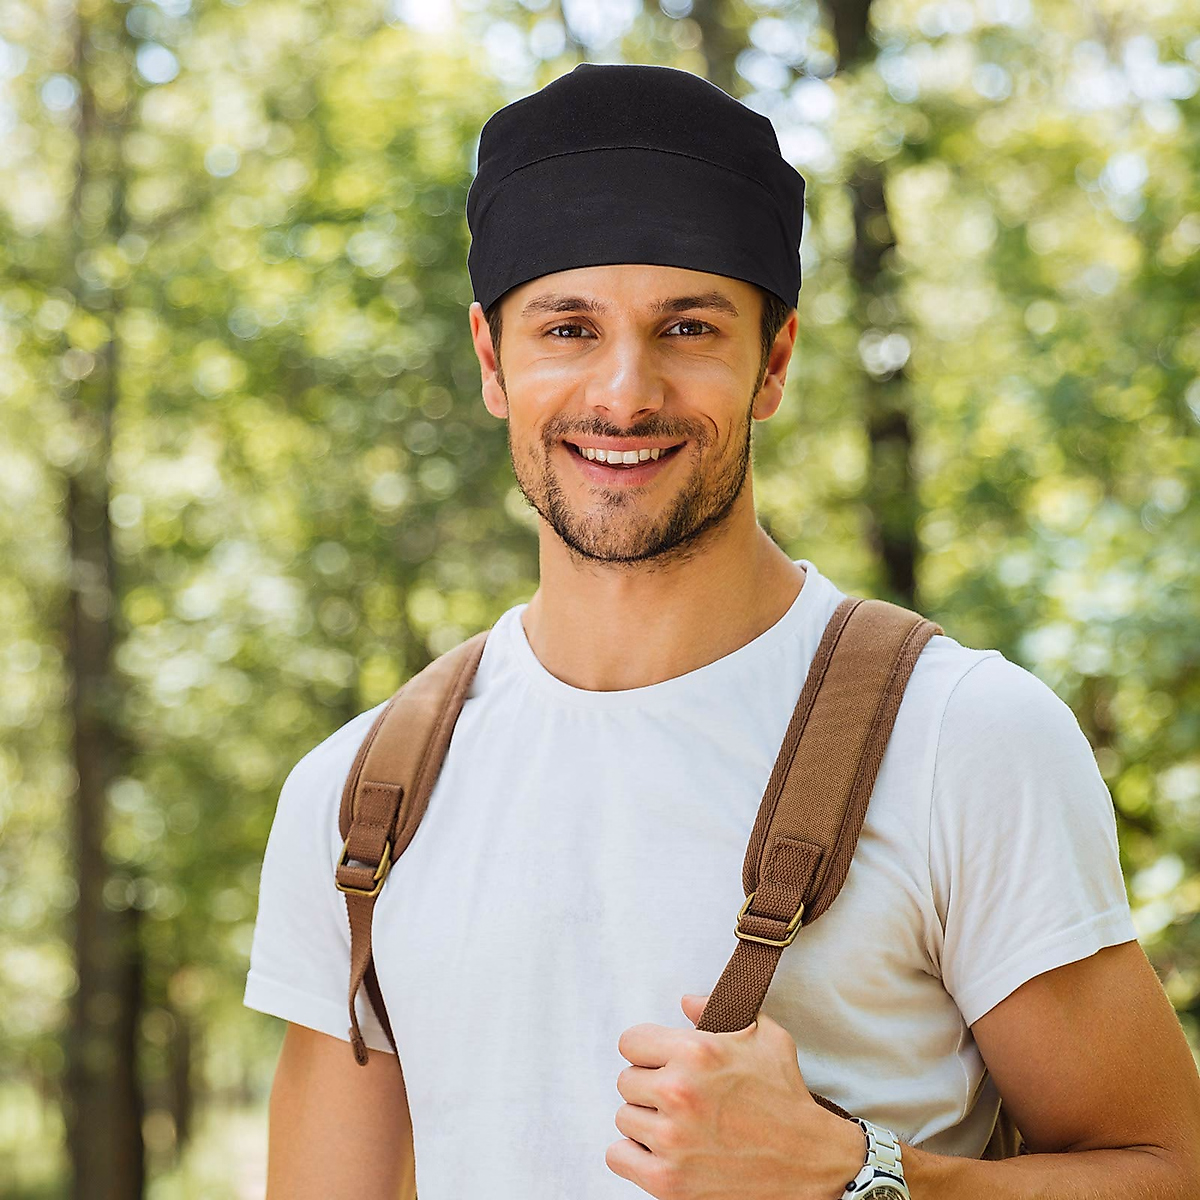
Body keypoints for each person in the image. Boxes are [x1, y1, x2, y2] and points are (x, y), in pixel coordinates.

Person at [242, 63, 1200, 1200]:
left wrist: (862, 1178)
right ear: (495, 362)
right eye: (568, 327)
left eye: (687, 328)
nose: (624, 392)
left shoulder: (963, 737)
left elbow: (1168, 1170)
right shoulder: (358, 796)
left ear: (774, 361)